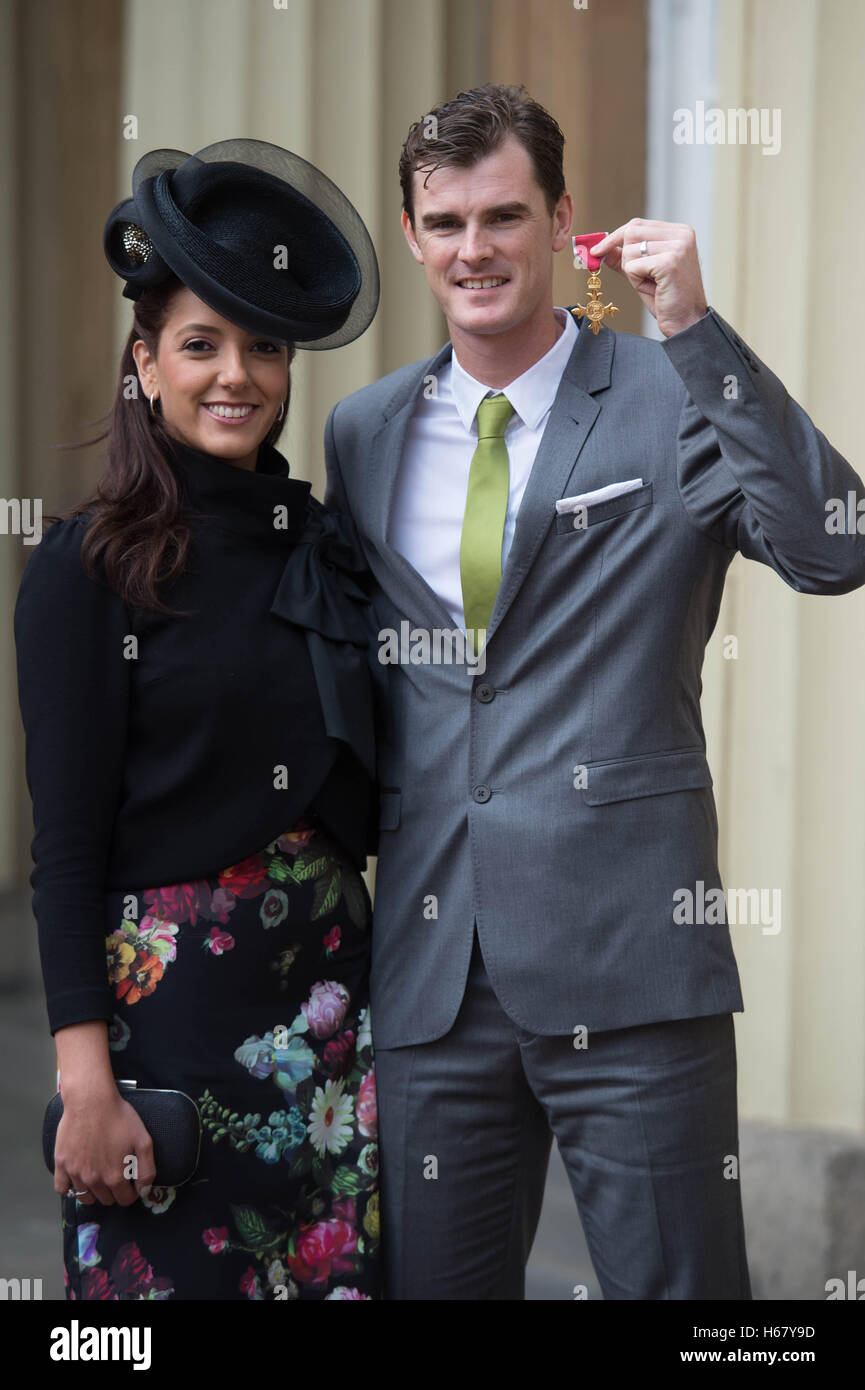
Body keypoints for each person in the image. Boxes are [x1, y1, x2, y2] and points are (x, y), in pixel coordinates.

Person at [322, 84, 865, 1299]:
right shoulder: (362, 431)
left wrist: (701, 335)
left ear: (564, 220)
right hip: (432, 969)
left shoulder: (673, 390)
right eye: (447, 222)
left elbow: (836, 546)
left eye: (505, 216)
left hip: (631, 955)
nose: (475, 250)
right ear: (412, 235)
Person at [14, 138, 383, 1301]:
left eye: (262, 346)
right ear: (145, 362)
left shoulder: (324, 546)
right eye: (200, 344)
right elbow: (64, 846)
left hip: (333, 1032)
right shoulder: (88, 565)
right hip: (164, 1034)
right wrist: (86, 1080)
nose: (238, 375)